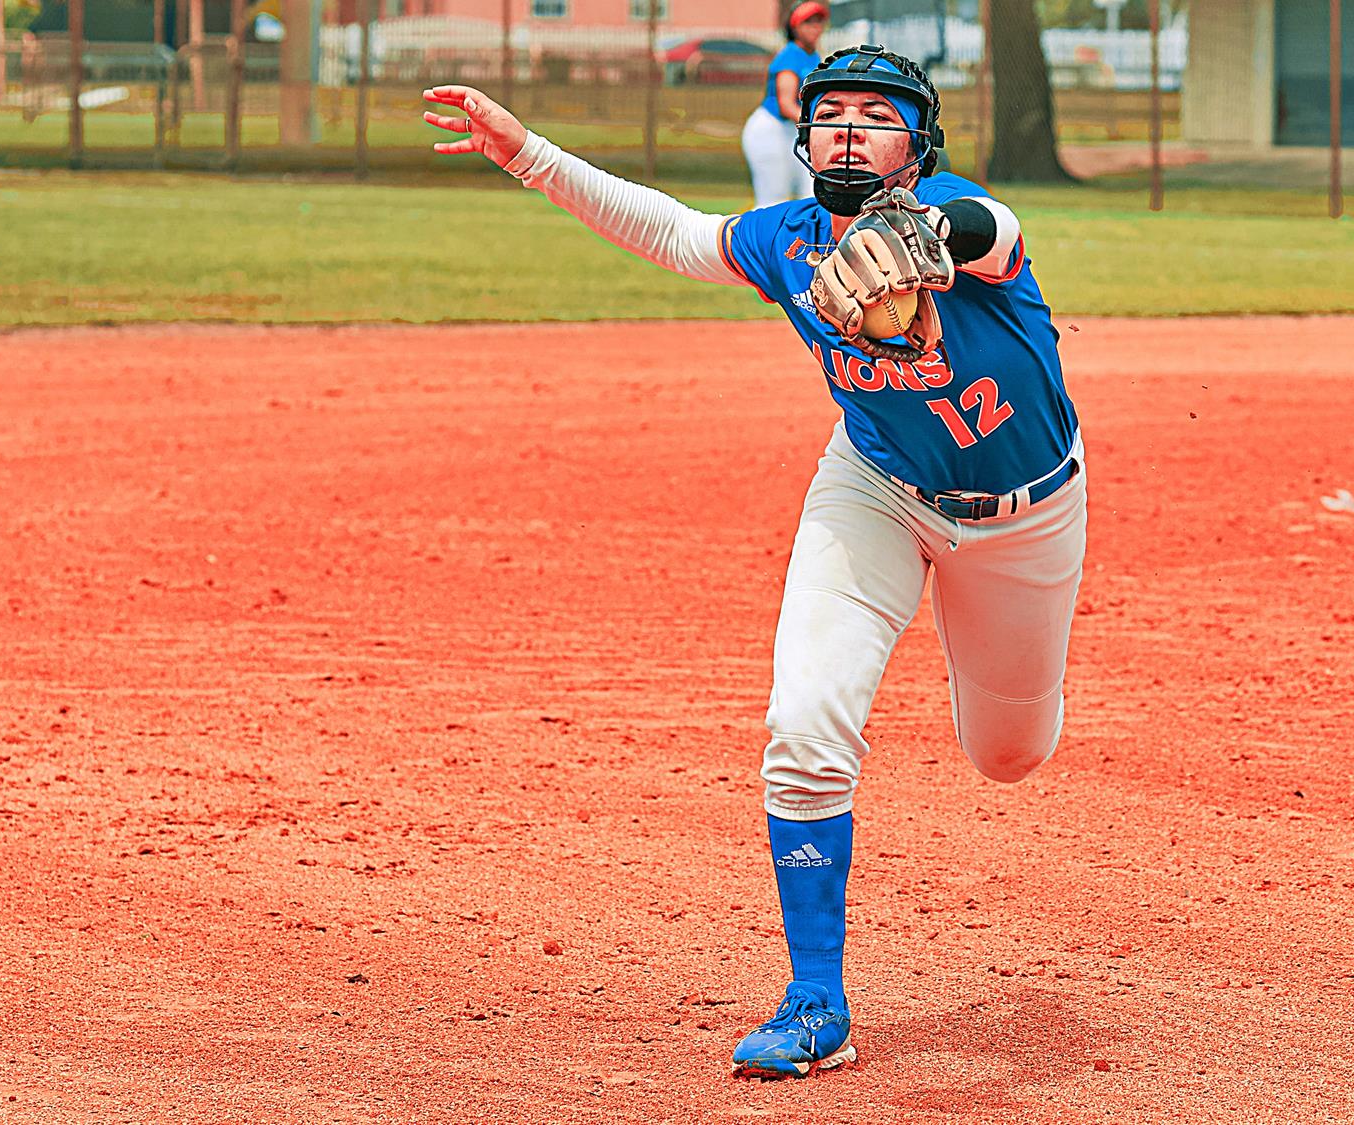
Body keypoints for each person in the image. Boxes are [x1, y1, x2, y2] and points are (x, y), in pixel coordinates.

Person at [422, 43, 1085, 1081]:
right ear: (802, 136)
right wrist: (529, 155)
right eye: (830, 115)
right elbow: (678, 232)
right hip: (873, 487)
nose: (849, 129)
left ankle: (975, 647)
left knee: (1009, 754)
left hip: (1023, 519)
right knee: (802, 722)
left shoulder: (952, 212)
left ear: (916, 143)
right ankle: (814, 1001)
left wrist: (921, 232)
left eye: (876, 114)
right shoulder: (788, 239)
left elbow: (995, 232)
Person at [743, 1, 830, 208]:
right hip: (771, 130)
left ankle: (809, 239)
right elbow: (786, 104)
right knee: (772, 201)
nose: (815, 27)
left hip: (793, 132)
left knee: (811, 193)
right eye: (808, 22)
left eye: (818, 21)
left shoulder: (814, 56)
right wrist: (820, 125)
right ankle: (759, 240)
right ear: (794, 27)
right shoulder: (790, 55)